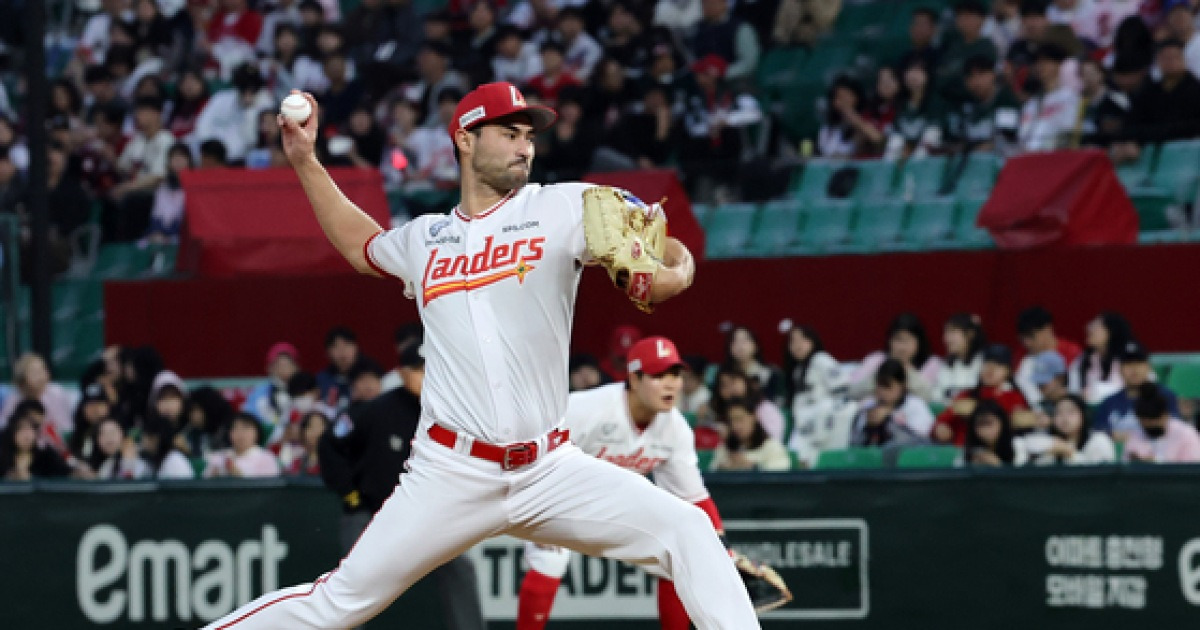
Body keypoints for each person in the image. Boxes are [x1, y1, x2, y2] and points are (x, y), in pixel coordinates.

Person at [205, 82, 755, 629]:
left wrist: (676, 271)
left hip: (549, 468)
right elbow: (360, 244)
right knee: (339, 601)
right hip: (450, 473)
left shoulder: (565, 206)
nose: (525, 147)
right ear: (465, 139)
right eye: (509, 133)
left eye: (529, 136)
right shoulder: (426, 239)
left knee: (688, 532)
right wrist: (305, 162)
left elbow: (663, 259)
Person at [518, 336, 734, 629]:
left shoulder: (676, 429)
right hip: (561, 497)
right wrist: (537, 506)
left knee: (677, 555)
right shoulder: (586, 408)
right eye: (658, 375)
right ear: (634, 379)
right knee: (550, 558)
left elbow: (693, 497)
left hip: (615, 507)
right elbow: (535, 448)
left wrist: (720, 543)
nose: (670, 384)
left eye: (675, 374)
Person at [320, 341, 485, 630]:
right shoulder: (376, 410)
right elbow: (329, 445)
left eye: (429, 369)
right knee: (352, 582)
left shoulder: (449, 413)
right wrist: (349, 491)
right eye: (417, 370)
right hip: (372, 512)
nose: (424, 376)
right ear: (401, 373)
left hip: (426, 518)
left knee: (461, 569)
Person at [1110, 38, 1200, 163]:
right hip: (1149, 156)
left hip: (1188, 156)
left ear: (1183, 59)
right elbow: (1132, 122)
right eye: (1165, 58)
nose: (1170, 62)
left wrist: (1151, 134)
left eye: (1175, 57)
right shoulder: (1150, 91)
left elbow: (1193, 127)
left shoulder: (1195, 90)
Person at [934, 344, 1030, 445]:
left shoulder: (1016, 397)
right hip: (965, 452)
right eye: (987, 363)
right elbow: (941, 421)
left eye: (998, 364)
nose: (990, 369)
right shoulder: (966, 395)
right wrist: (940, 428)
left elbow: (1023, 422)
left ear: (1008, 371)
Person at [781, 324, 847, 459]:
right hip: (803, 428)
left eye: (802, 340)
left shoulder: (822, 359)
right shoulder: (797, 371)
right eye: (793, 341)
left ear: (813, 341)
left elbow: (842, 390)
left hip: (825, 426)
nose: (797, 345)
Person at [848, 313, 942, 402]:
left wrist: (907, 371)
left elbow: (931, 398)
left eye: (907, 341)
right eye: (898, 340)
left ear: (919, 343)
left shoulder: (931, 363)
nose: (902, 347)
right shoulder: (876, 359)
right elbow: (853, 391)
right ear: (890, 341)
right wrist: (883, 373)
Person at [1094, 340, 1181, 437]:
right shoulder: (1109, 402)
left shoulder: (1164, 396)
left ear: (1148, 366)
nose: (1134, 369)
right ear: (1120, 369)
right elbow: (1098, 434)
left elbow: (1175, 430)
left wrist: (1133, 438)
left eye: (1139, 363)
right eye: (1128, 363)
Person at [943, 54, 1022, 155]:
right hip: (974, 163)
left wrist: (971, 152)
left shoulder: (1006, 100)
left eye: (981, 73)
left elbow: (1005, 141)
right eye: (971, 77)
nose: (976, 81)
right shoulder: (965, 104)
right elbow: (958, 140)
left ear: (993, 74)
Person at [850, 359, 935, 448]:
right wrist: (869, 427)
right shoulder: (869, 406)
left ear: (902, 386)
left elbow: (921, 441)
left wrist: (889, 419)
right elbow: (855, 442)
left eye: (887, 386)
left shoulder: (915, 405)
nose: (882, 392)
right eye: (879, 386)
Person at [1014, 305, 1083, 405]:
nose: (1027, 343)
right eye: (1023, 339)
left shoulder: (1071, 352)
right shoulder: (1021, 356)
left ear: (1047, 329)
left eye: (1031, 336)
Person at [1018, 44, 1080, 151]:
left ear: (1059, 64)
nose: (1040, 66)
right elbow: (1023, 135)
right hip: (1030, 158)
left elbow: (1068, 133)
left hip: (1057, 157)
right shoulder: (1031, 103)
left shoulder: (1070, 97)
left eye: (1046, 61)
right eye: (1038, 62)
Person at [0, 352, 76, 436]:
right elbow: (4, 425)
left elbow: (66, 429)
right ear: (22, 378)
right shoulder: (15, 397)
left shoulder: (56, 393)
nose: (41, 376)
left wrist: (43, 425)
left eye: (43, 370)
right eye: (35, 373)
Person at [1029, 394, 1116, 465]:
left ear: (1083, 415)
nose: (1064, 418)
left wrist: (1070, 453)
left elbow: (1100, 476)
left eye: (1070, 412)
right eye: (1059, 413)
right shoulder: (1053, 442)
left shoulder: (1099, 440)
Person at [1123, 383, 1200, 464]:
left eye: (1154, 421)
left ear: (1165, 415)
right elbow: (1126, 464)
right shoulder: (1137, 433)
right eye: (1146, 424)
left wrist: (1156, 463)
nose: (1151, 426)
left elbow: (1191, 471)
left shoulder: (1186, 434)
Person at [711, 399, 792, 471]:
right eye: (731, 421)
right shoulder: (724, 448)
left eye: (740, 419)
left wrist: (753, 467)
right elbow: (711, 475)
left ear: (753, 417)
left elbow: (779, 476)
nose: (736, 426)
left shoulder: (772, 447)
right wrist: (722, 469)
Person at [1069, 312, 1132, 405]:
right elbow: (1073, 393)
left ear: (1111, 332)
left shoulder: (1130, 358)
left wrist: (1095, 391)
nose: (1088, 327)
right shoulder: (1081, 361)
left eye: (1096, 326)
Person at [710, 366, 787, 441]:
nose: (730, 389)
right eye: (724, 386)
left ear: (744, 380)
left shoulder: (764, 408)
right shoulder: (721, 413)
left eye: (733, 382)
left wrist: (733, 435)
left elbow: (773, 441)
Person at [203, 412, 283, 478]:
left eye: (246, 428)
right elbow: (205, 483)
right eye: (235, 429)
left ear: (257, 433)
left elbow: (269, 490)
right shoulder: (220, 456)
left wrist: (239, 475)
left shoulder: (266, 458)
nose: (240, 434)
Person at [243, 342, 301, 432]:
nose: (284, 368)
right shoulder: (259, 391)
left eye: (288, 363)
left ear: (297, 367)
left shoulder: (306, 389)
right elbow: (247, 420)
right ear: (269, 367)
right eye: (279, 364)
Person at [933, 313, 987, 404]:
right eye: (946, 333)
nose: (946, 339)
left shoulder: (985, 362)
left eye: (952, 332)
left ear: (971, 334)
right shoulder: (948, 364)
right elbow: (936, 395)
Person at [1, 415, 74, 480]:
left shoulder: (47, 457)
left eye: (31, 429)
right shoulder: (3, 458)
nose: (26, 436)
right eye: (21, 430)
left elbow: (66, 473)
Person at [961, 399, 1027, 466]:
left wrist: (998, 464)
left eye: (988, 423)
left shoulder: (1017, 444)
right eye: (979, 425)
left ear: (1002, 423)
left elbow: (1020, 473)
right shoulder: (969, 449)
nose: (985, 430)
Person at [724, 325, 782, 401]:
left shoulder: (770, 373)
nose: (739, 345)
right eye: (735, 341)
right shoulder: (724, 375)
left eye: (745, 340)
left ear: (755, 346)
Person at [316, 326, 361, 411]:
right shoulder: (321, 380)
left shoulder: (370, 374)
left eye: (346, 345)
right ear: (327, 353)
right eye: (335, 346)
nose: (342, 352)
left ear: (356, 348)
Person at [1029, 350, 1070, 417]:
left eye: (1043, 381)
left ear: (1060, 378)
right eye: (1038, 381)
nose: (1039, 385)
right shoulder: (1040, 406)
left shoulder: (1076, 404)